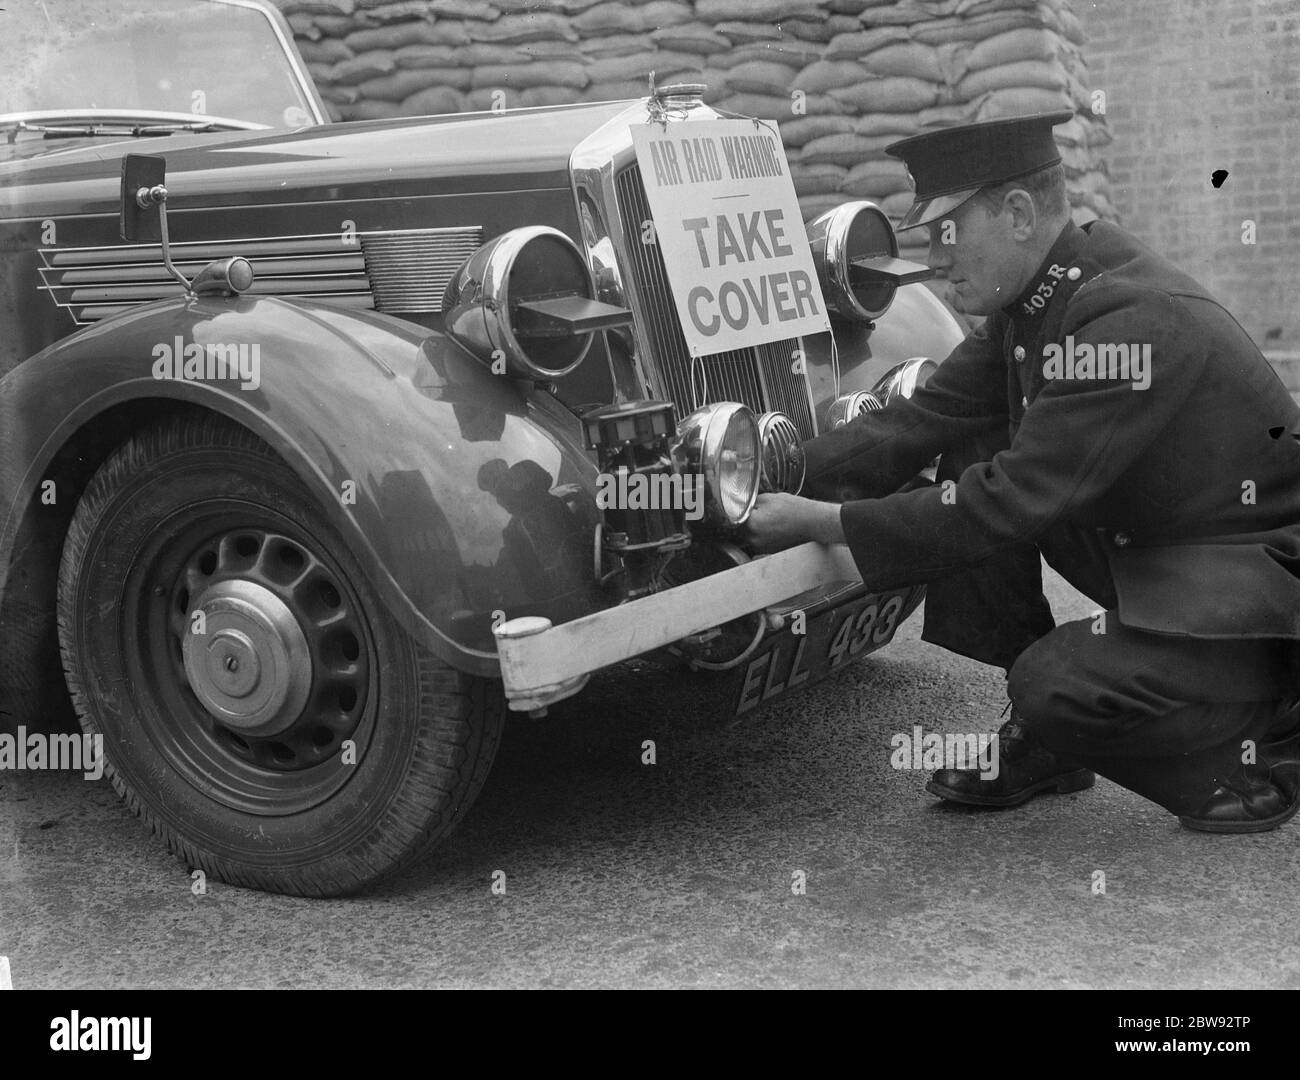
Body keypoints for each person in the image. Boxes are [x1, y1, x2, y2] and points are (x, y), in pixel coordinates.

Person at [745, 111, 1300, 832]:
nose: (937, 260)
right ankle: (1053, 746)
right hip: (1172, 565)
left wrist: (823, 523)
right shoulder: (1039, 303)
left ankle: (1248, 757)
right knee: (969, 445)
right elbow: (917, 422)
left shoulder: (1125, 321)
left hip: (1259, 605)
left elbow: (1006, 504)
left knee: (1055, 686)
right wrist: (759, 475)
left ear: (1015, 213)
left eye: (949, 232)